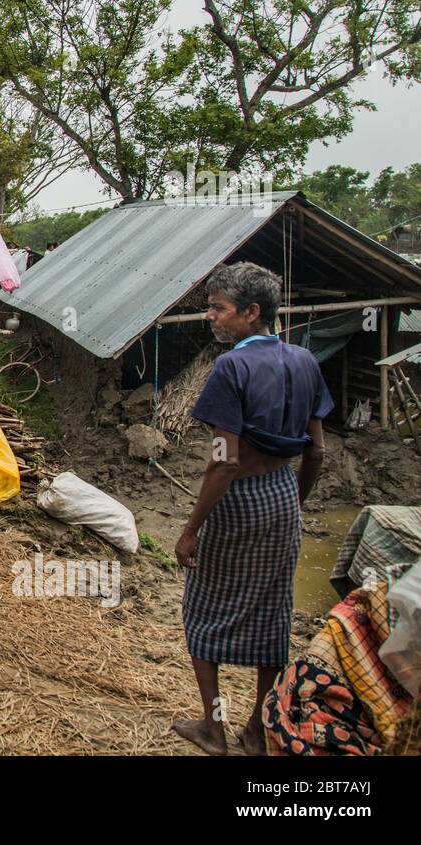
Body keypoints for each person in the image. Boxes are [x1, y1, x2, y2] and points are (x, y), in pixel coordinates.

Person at [171, 262, 331, 757]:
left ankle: (212, 728)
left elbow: (225, 461)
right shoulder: (305, 360)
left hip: (236, 500)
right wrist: (292, 502)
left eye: (219, 308)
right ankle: (258, 732)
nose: (210, 317)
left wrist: (191, 529)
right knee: (271, 616)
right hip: (283, 494)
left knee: (202, 610)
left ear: (251, 312)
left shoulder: (231, 367)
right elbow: (318, 451)